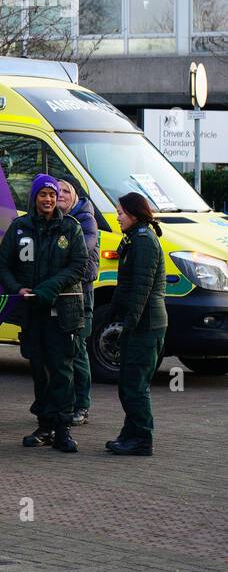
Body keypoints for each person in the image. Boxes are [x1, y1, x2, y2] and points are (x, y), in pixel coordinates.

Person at [0, 174, 87, 453]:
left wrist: (49, 288)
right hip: (33, 312)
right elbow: (1, 265)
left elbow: (78, 265)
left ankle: (63, 429)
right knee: (39, 369)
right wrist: (17, 289)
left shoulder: (71, 228)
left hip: (63, 312)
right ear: (34, 198)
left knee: (61, 371)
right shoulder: (19, 227)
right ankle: (44, 426)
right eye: (43, 194)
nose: (48, 199)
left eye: (53, 194)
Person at [102, 193, 167, 457]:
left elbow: (141, 288)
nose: (117, 217)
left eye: (120, 212)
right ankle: (130, 435)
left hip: (146, 325)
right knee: (129, 383)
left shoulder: (144, 242)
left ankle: (141, 440)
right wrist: (111, 315)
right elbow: (124, 286)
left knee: (135, 384)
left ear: (133, 214)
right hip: (139, 323)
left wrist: (128, 324)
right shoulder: (134, 239)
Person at [57, 175, 99, 426]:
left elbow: (79, 250)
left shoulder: (85, 219)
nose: (59, 194)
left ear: (75, 194)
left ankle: (81, 406)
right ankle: (63, 402)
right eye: (56, 190)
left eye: (65, 190)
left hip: (79, 292)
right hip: (60, 291)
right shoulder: (55, 218)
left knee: (78, 349)